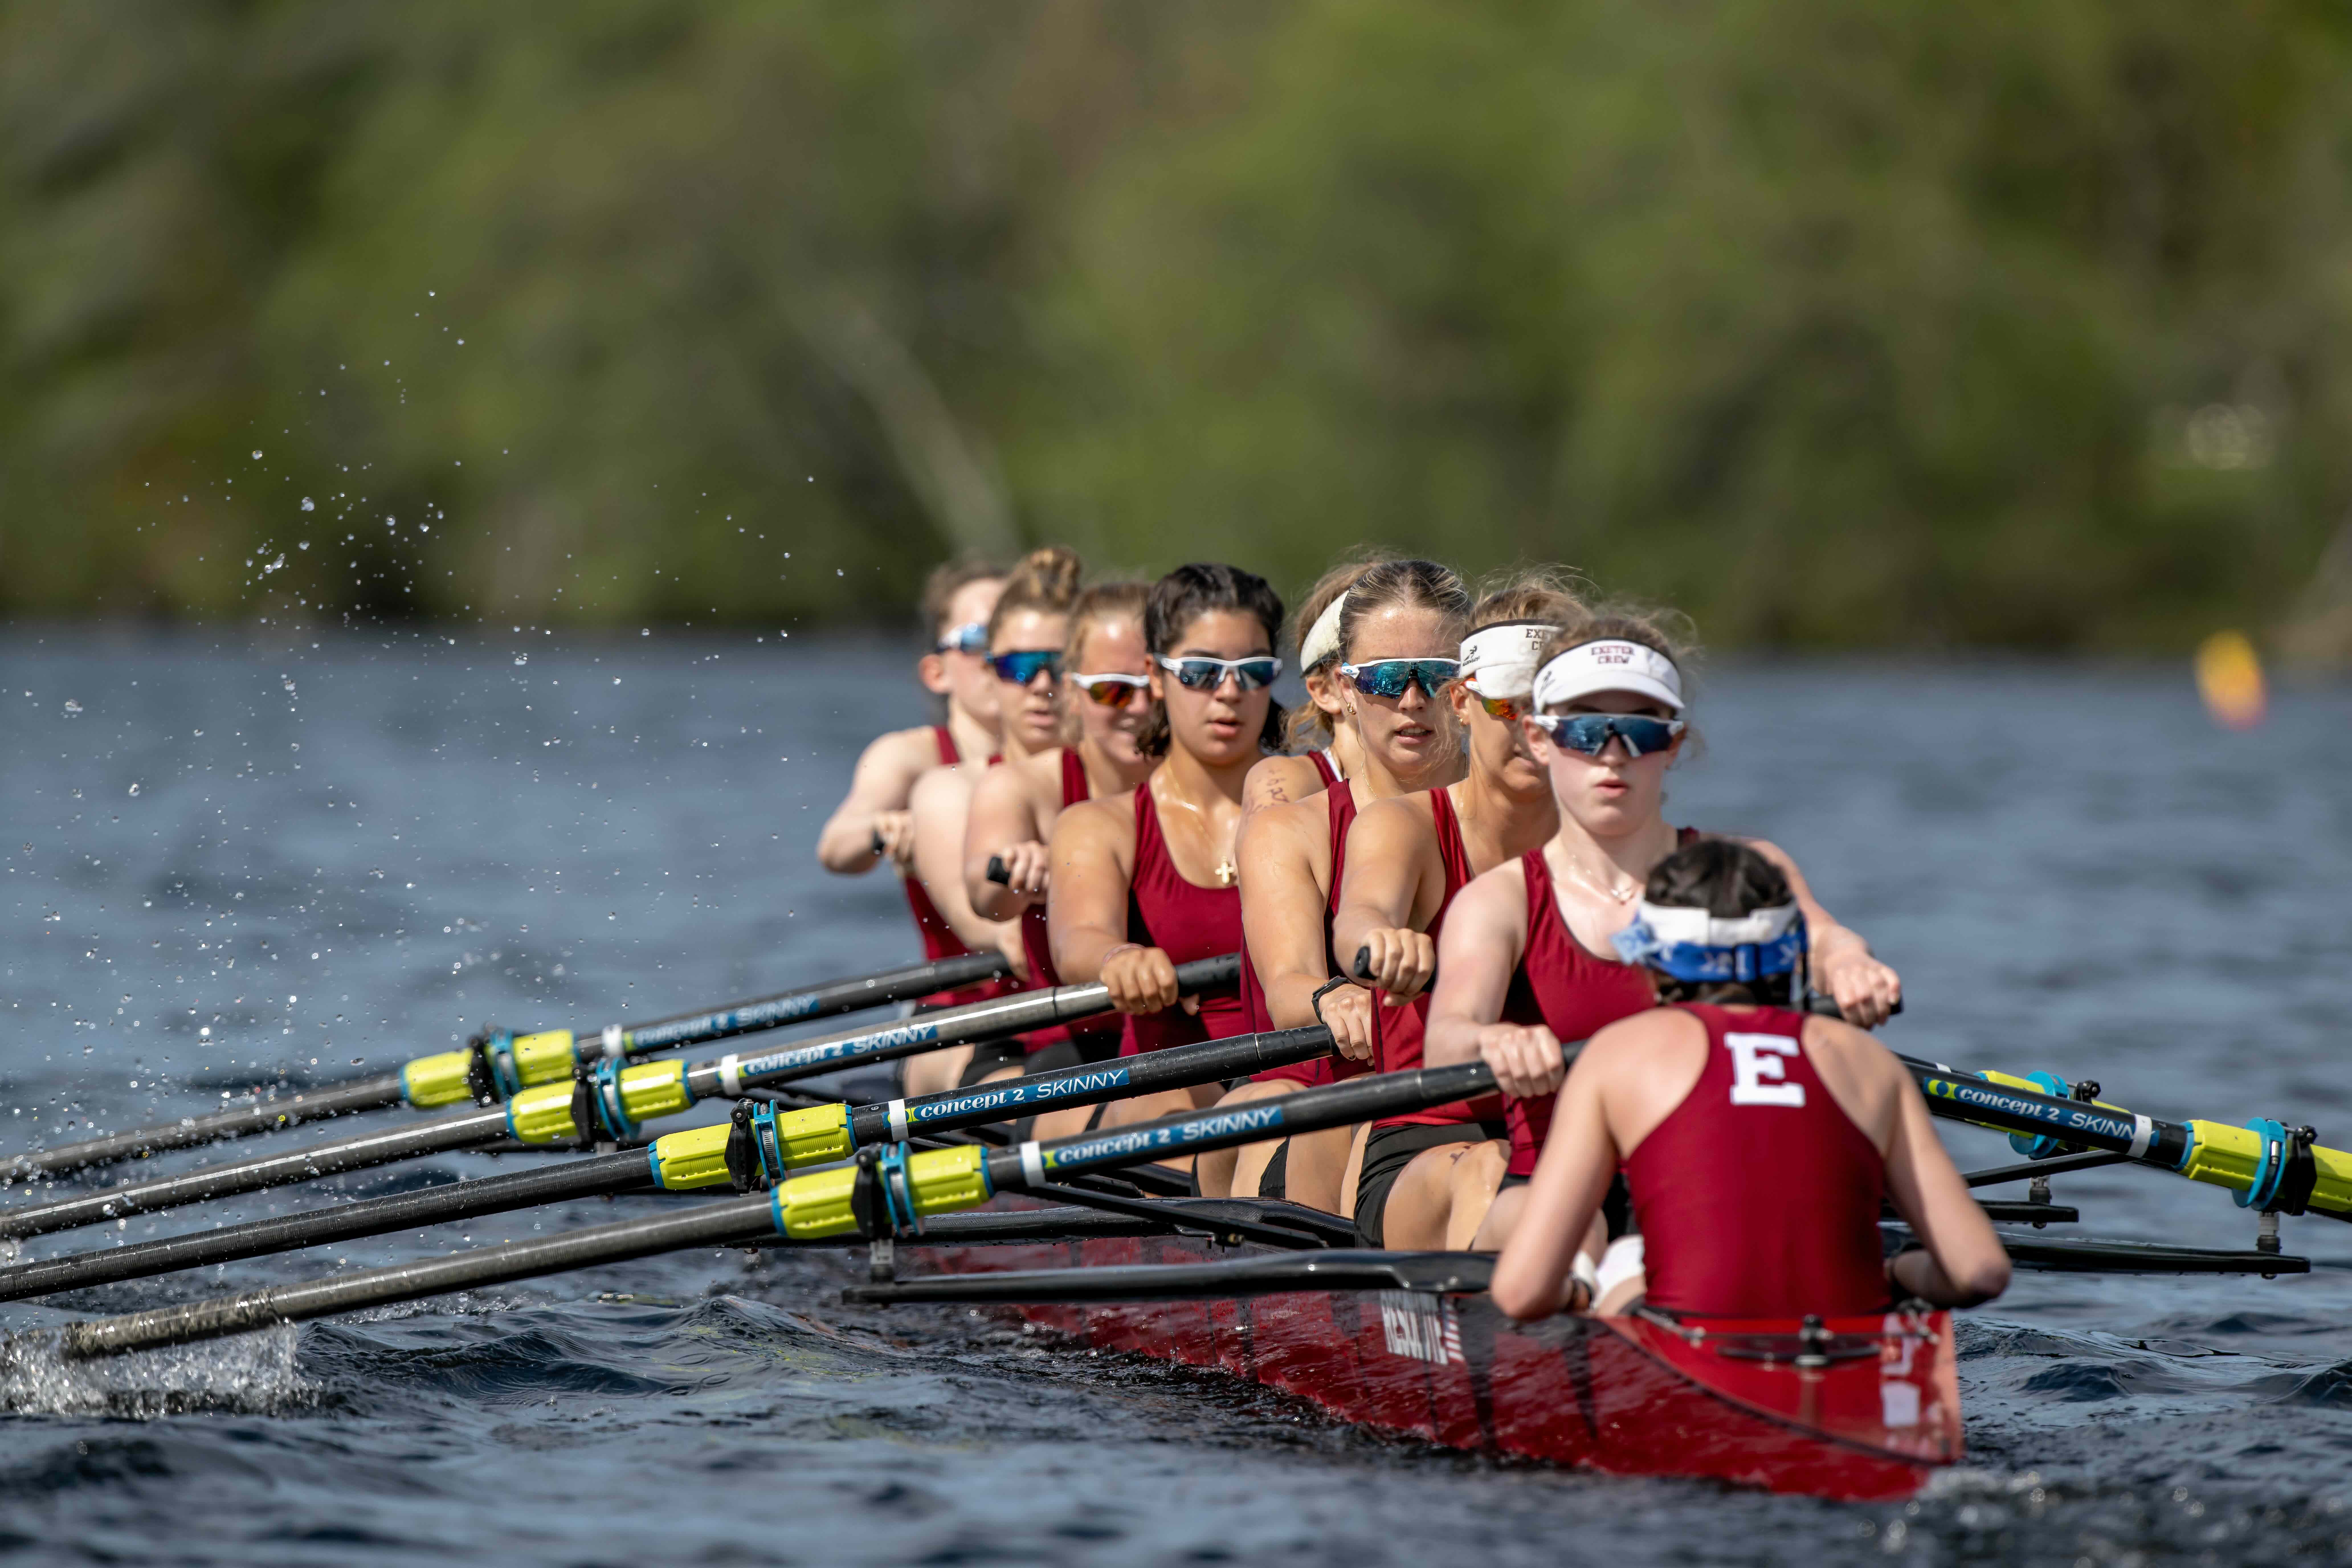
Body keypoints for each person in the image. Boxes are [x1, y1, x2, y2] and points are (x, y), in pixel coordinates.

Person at [1424, 612, 1905, 1252]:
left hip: (1720, 1196)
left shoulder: (1745, 870)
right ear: (1540, 738)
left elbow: (1827, 940)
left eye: (1642, 730)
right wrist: (1495, 1042)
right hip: (1564, 1207)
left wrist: (1850, 965)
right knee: (1571, 1228)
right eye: (1588, 729)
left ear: (1673, 745)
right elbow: (1448, 1040)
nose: (1614, 755)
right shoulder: (1501, 901)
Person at [1489, 838, 2009, 1320]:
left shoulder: (1619, 1054)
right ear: (1788, 953)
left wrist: (1580, 1289)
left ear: (1654, 960)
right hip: (1842, 1356)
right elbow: (1980, 1270)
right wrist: (1897, 1270)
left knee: (1623, 1254)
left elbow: (1520, 1292)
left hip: (1690, 1352)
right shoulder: (1868, 1062)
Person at [1202, 559, 1471, 1208]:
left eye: (1435, 677)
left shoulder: (1530, 814)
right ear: (1343, 691)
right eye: (1382, 679)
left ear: (1468, 687)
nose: (1410, 701)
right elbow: (1289, 983)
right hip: (1324, 1095)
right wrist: (1332, 997)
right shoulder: (1289, 831)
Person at [1330, 580, 1582, 1249]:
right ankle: (1509, 1347)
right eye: (1508, 704)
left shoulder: (1609, 845)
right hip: (1433, 1143)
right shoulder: (1404, 826)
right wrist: (1381, 942)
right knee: (1493, 1172)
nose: (1531, 730)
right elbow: (1359, 915)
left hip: (1574, 1136)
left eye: (1551, 708)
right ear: (1463, 703)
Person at [1034, 564, 1287, 1162]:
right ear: (1155, 674)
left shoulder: (1316, 803)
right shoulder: (1102, 824)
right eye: (1201, 672)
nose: (1229, 694)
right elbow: (1076, 943)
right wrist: (1116, 957)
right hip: (1166, 1092)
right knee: (1164, 1104)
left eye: (1252, 673)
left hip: (1295, 1084)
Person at [900, 546, 1085, 1095]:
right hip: (997, 1030)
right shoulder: (947, 787)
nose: (1041, 684)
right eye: (1019, 667)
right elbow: (994, 933)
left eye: (1061, 665)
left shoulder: (1131, 776)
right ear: (992, 670)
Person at [959, 579, 1157, 1075]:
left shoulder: (1212, 786)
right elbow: (987, 894)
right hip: (1059, 1044)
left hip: (1184, 1033)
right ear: (1073, 693)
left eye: (1149, 688)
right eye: (1114, 689)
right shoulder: (1020, 785)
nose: (1136, 708)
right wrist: (1016, 873)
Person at [814, 558, 1006, 996]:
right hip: (959, 1009)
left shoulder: (1072, 752)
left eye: (1016, 641)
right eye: (979, 641)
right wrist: (883, 831)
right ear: (936, 673)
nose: (1000, 657)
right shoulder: (909, 757)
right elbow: (836, 847)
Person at [1242, 559, 1380, 810]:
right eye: (1384, 673)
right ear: (1326, 691)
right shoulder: (1291, 787)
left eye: (1435, 671)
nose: (1412, 694)